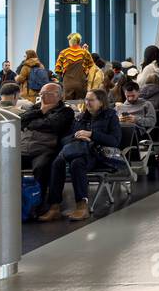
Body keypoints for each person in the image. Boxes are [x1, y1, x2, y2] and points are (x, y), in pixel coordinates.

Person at [37, 89, 120, 222]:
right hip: (79, 150)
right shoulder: (80, 117)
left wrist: (91, 135)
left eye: (91, 100)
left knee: (77, 163)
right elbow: (64, 139)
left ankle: (82, 206)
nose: (87, 103)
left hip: (99, 154)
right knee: (58, 162)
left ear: (101, 102)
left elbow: (115, 141)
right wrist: (77, 137)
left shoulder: (110, 117)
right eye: (86, 99)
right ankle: (54, 206)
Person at [18, 83, 76, 214]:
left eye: (48, 94)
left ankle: (38, 203)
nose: (43, 97)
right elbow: (20, 120)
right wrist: (41, 111)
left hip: (45, 149)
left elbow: (52, 125)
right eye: (41, 94)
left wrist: (34, 123)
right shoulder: (36, 108)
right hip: (23, 147)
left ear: (59, 96)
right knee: (6, 164)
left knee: (41, 167)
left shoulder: (66, 111)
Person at [55, 33, 95, 100]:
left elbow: (57, 69)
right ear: (79, 41)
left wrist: (63, 75)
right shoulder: (85, 52)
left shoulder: (64, 52)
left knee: (68, 105)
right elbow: (92, 66)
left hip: (68, 83)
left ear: (70, 41)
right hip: (81, 83)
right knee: (81, 104)